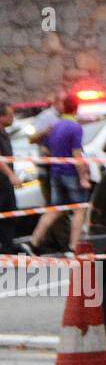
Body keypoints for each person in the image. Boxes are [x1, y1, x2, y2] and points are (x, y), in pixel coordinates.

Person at [30, 94, 90, 253]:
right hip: (70, 173)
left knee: (55, 209)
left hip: (55, 172)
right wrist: (83, 177)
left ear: (64, 107)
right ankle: (73, 247)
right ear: (76, 109)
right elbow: (77, 154)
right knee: (79, 210)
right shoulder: (76, 128)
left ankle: (34, 241)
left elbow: (45, 149)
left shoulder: (55, 126)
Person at [0, 101, 21, 255]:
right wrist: (11, 175)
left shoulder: (4, 133)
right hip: (2, 184)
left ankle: (8, 252)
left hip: (6, 185)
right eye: (10, 115)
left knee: (10, 217)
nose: (13, 118)